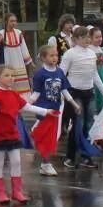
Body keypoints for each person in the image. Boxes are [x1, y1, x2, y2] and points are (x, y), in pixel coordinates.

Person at [0, 65, 52, 204]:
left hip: (12, 134)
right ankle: (0, 192)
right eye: (7, 75)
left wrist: (46, 111)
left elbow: (27, 107)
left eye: (12, 76)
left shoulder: (14, 95)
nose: (11, 78)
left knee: (16, 161)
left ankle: (17, 191)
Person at [59, 25, 103, 169]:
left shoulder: (92, 54)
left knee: (88, 125)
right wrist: (65, 95)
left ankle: (85, 156)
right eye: (83, 37)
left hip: (89, 93)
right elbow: (62, 75)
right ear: (75, 40)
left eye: (88, 36)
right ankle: (69, 156)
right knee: (77, 125)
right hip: (75, 93)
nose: (87, 39)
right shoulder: (70, 54)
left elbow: (94, 75)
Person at [26, 44, 78, 177]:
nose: (55, 58)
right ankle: (46, 162)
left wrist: (73, 103)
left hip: (55, 110)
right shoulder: (40, 74)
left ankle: (45, 163)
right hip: (44, 109)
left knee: (51, 138)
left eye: (56, 55)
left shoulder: (59, 72)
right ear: (43, 58)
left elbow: (64, 90)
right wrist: (26, 104)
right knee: (46, 138)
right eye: (51, 55)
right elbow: (36, 93)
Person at [0, 13, 33, 92]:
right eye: (11, 21)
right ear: (6, 22)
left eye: (15, 21)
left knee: (21, 87)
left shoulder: (18, 33)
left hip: (19, 62)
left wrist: (29, 61)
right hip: (6, 60)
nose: (14, 23)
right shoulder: (0, 34)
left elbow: (24, 48)